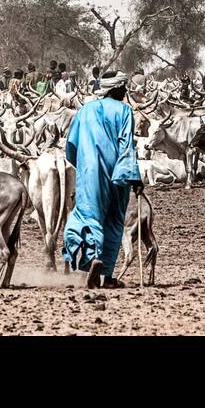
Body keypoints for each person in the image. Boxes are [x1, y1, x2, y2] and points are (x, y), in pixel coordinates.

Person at [62, 70, 143, 288]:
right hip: (117, 172)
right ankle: (106, 274)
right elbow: (126, 145)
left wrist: (85, 168)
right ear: (117, 89)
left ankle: (92, 257)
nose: (126, 91)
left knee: (88, 216)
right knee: (115, 221)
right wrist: (133, 176)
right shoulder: (125, 111)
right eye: (124, 88)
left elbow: (71, 146)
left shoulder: (84, 110)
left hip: (89, 173)